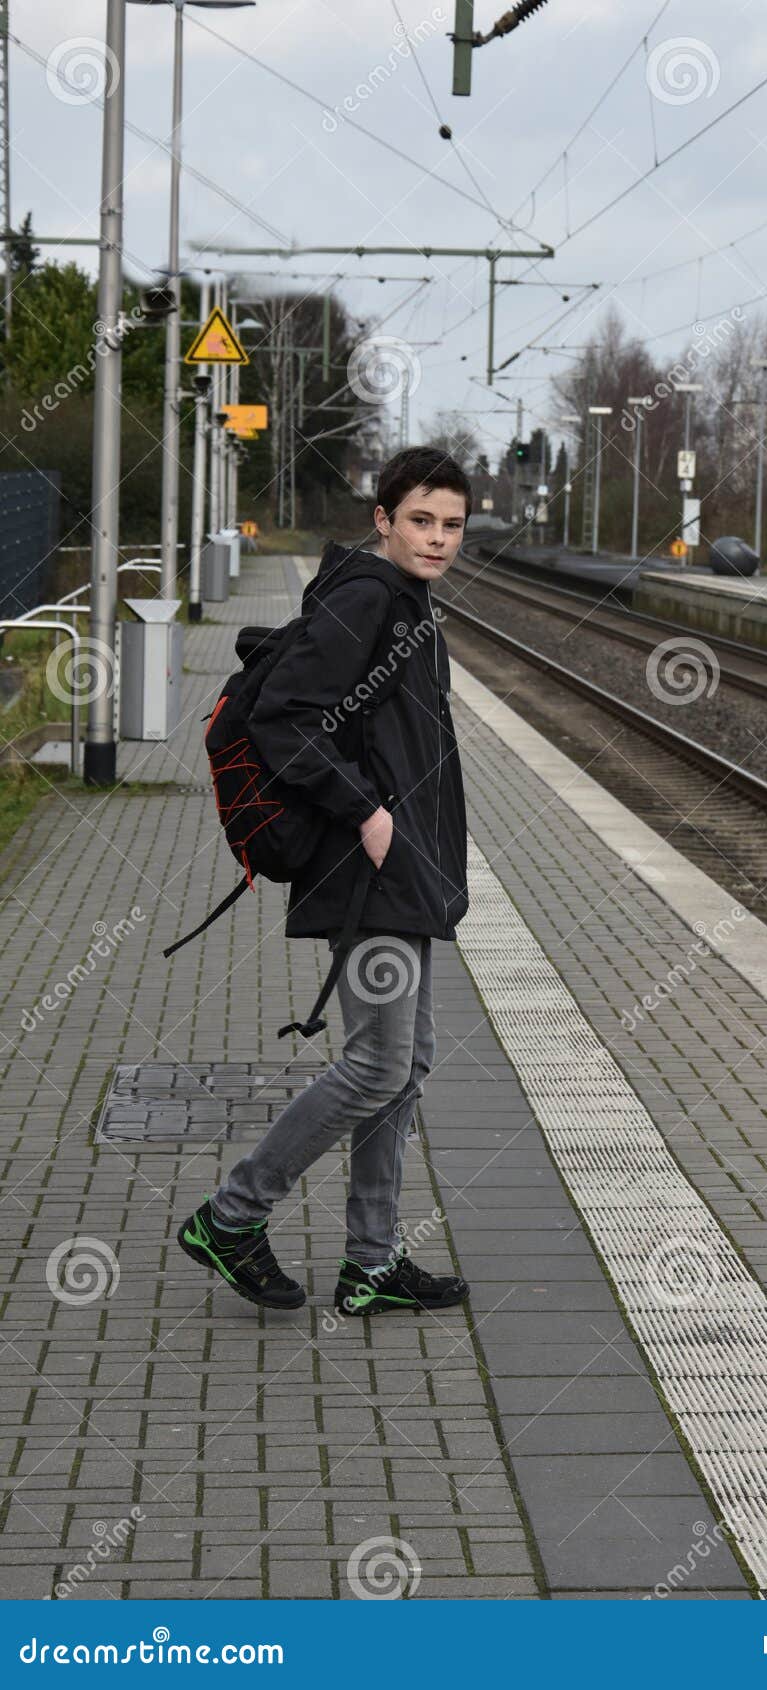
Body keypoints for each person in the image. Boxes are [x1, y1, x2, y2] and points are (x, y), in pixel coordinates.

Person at [177, 446, 471, 1317]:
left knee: (402, 1064)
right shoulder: (367, 597)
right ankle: (231, 1216)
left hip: (399, 867)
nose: (437, 538)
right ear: (383, 519)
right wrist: (369, 815)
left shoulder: (403, 599)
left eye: (452, 525)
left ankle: (372, 1263)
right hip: (364, 869)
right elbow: (287, 718)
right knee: (378, 1063)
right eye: (420, 520)